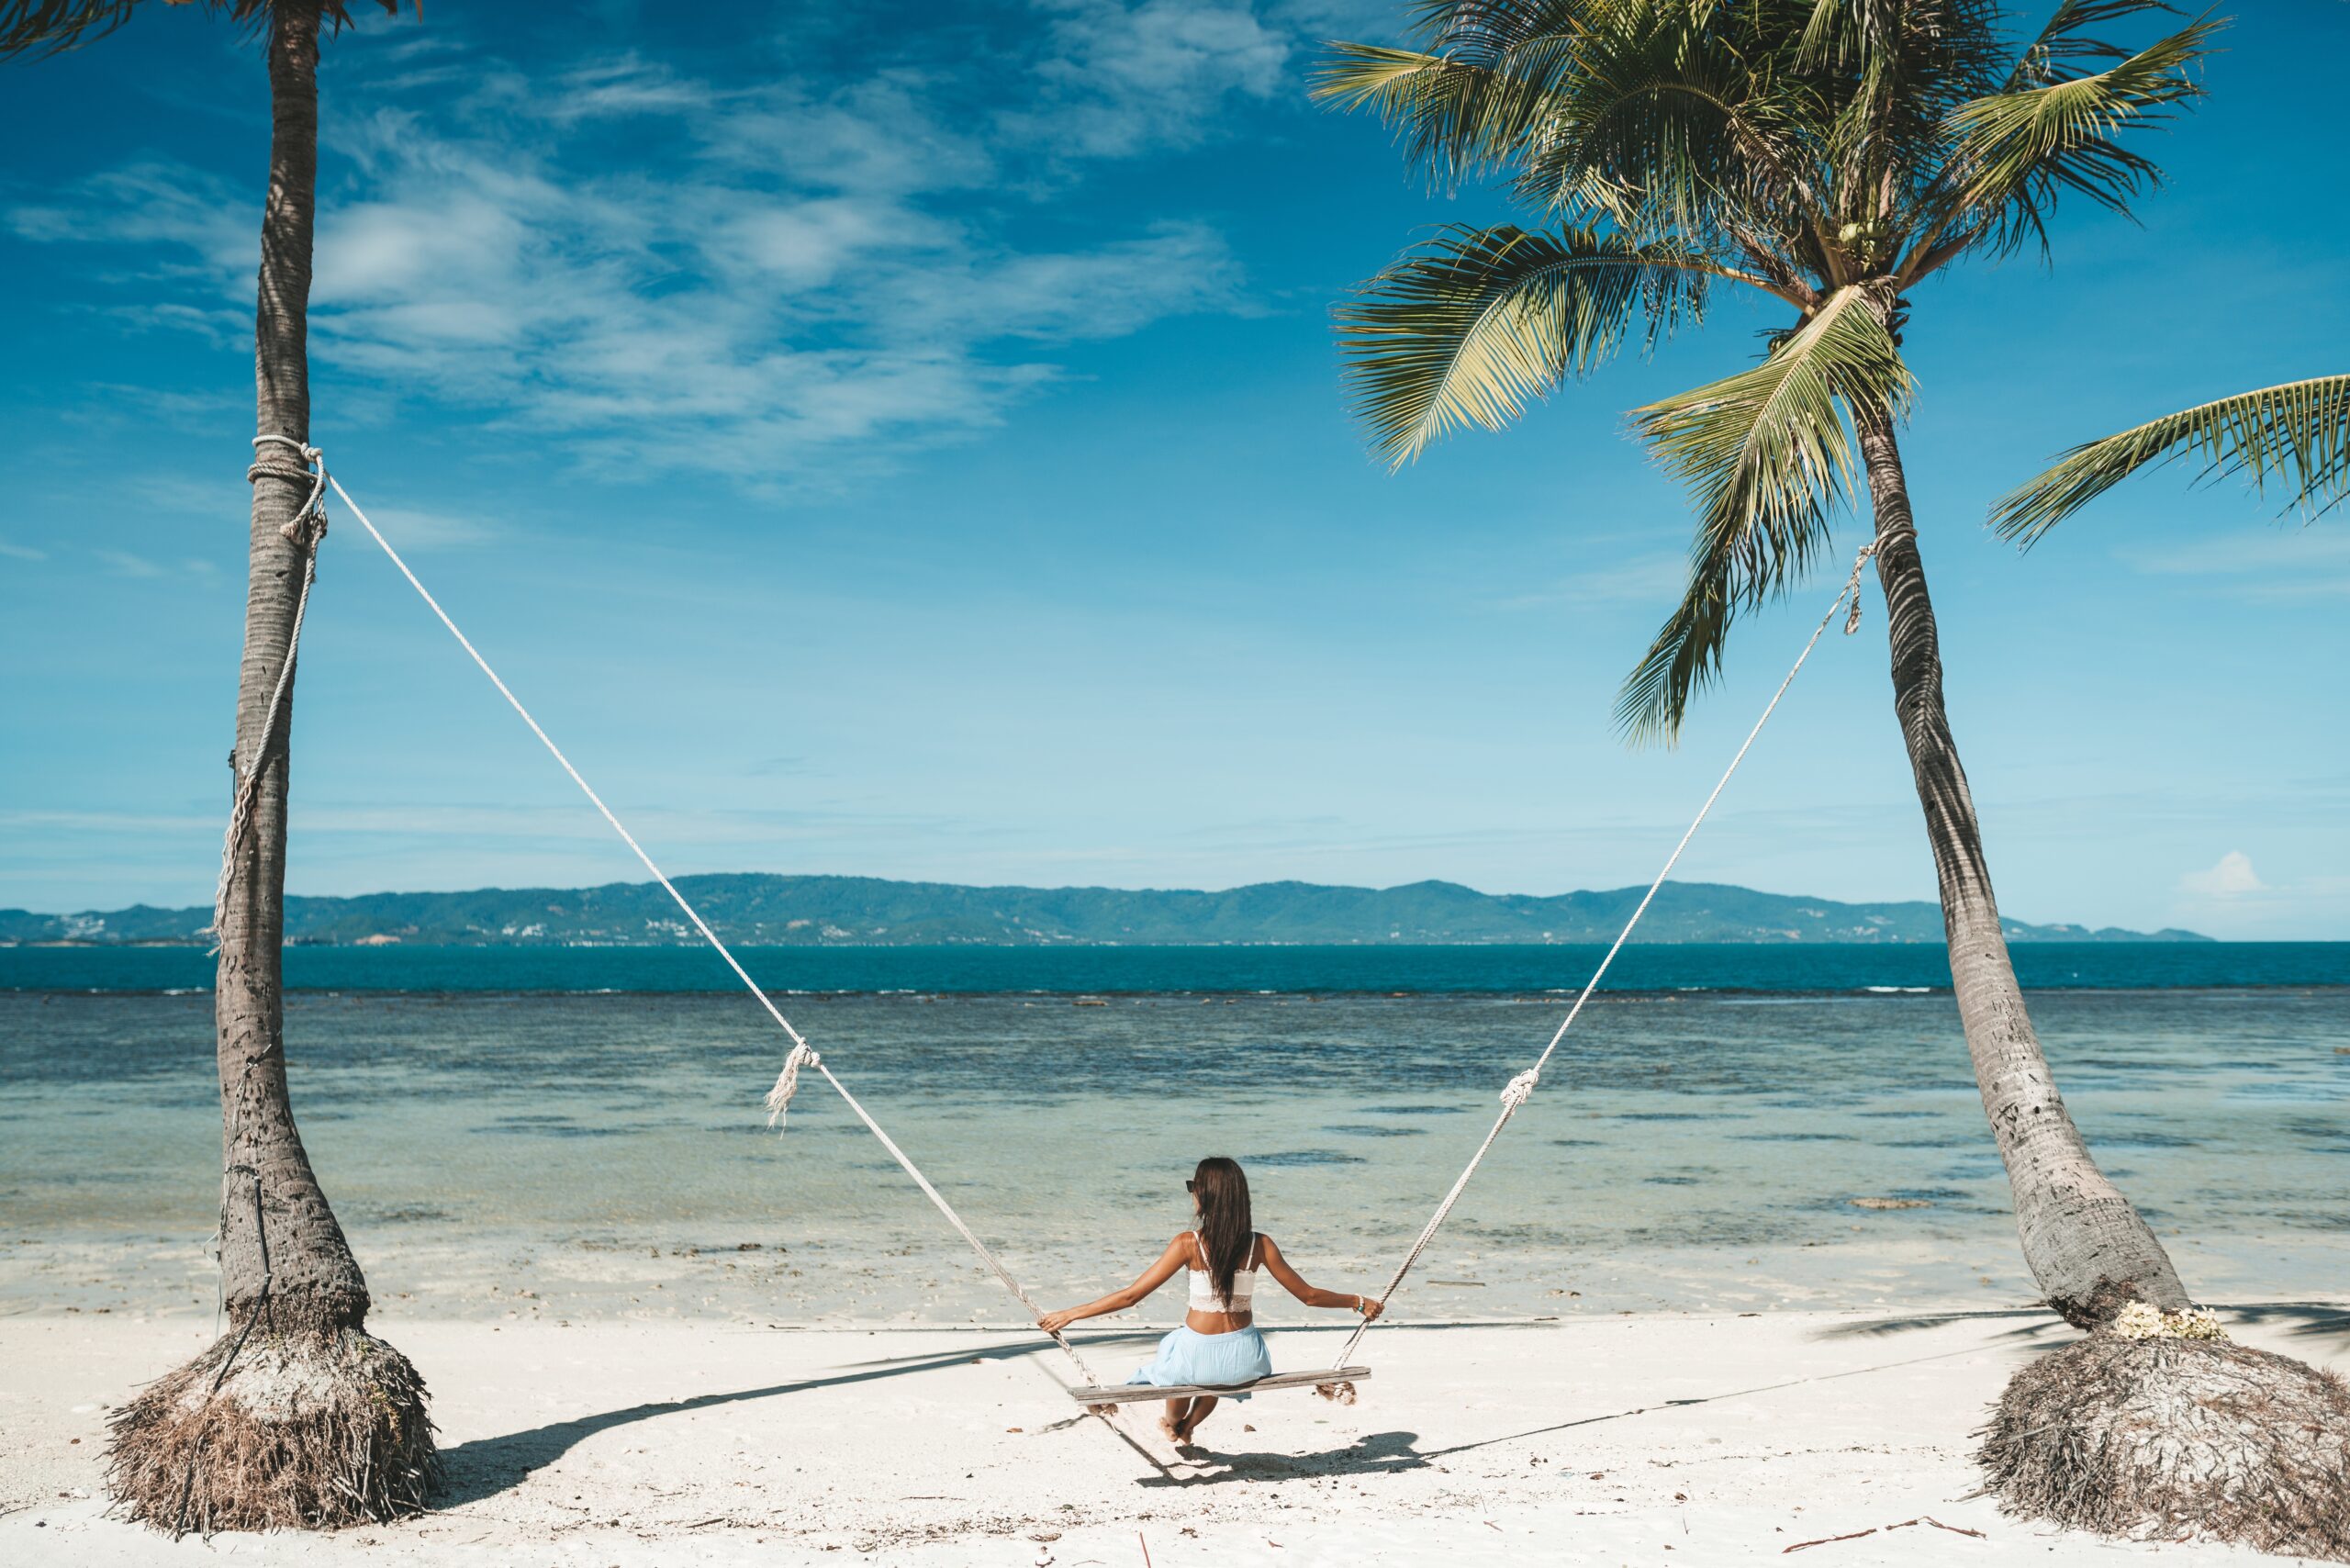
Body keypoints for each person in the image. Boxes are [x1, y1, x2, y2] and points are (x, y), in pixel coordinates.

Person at [1037, 1155, 1383, 1446]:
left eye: (1193, 1187)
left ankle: (1175, 1423)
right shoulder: (1260, 1245)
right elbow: (1308, 1296)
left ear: (1206, 1195)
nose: (1191, 1195)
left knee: (1177, 1366)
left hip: (1196, 1355)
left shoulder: (1188, 1243)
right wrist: (1357, 1301)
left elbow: (1132, 1296)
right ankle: (1190, 1426)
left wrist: (1071, 1313)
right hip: (1246, 1362)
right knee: (1214, 1375)